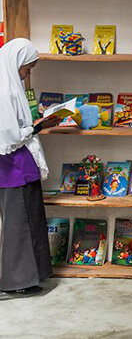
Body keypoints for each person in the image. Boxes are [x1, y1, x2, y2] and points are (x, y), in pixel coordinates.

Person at [0, 39, 60, 295]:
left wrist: (34, 124)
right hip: (11, 166)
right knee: (18, 224)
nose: (28, 74)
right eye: (27, 68)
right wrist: (37, 127)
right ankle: (17, 283)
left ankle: (36, 274)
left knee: (32, 217)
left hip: (22, 164)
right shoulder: (4, 90)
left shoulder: (11, 85)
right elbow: (8, 134)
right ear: (15, 64)